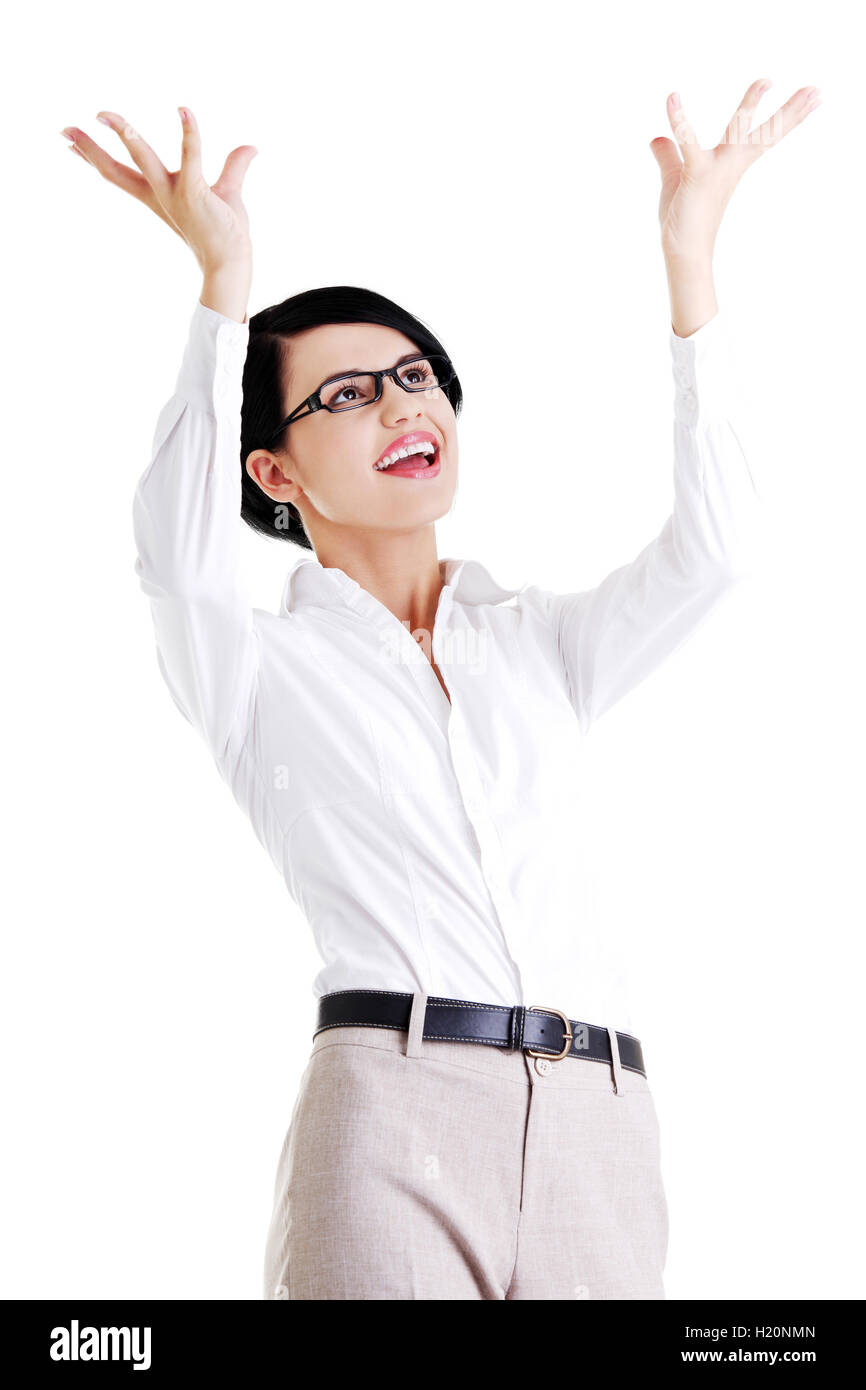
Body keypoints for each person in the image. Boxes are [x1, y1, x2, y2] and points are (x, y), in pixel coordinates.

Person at [60, 81, 820, 1301]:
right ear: (272, 468)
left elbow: (720, 550)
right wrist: (223, 284)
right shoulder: (253, 667)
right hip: (395, 1107)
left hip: (601, 1121)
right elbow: (173, 545)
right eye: (346, 394)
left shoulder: (542, 648)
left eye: (415, 376)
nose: (403, 404)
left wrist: (690, 264)